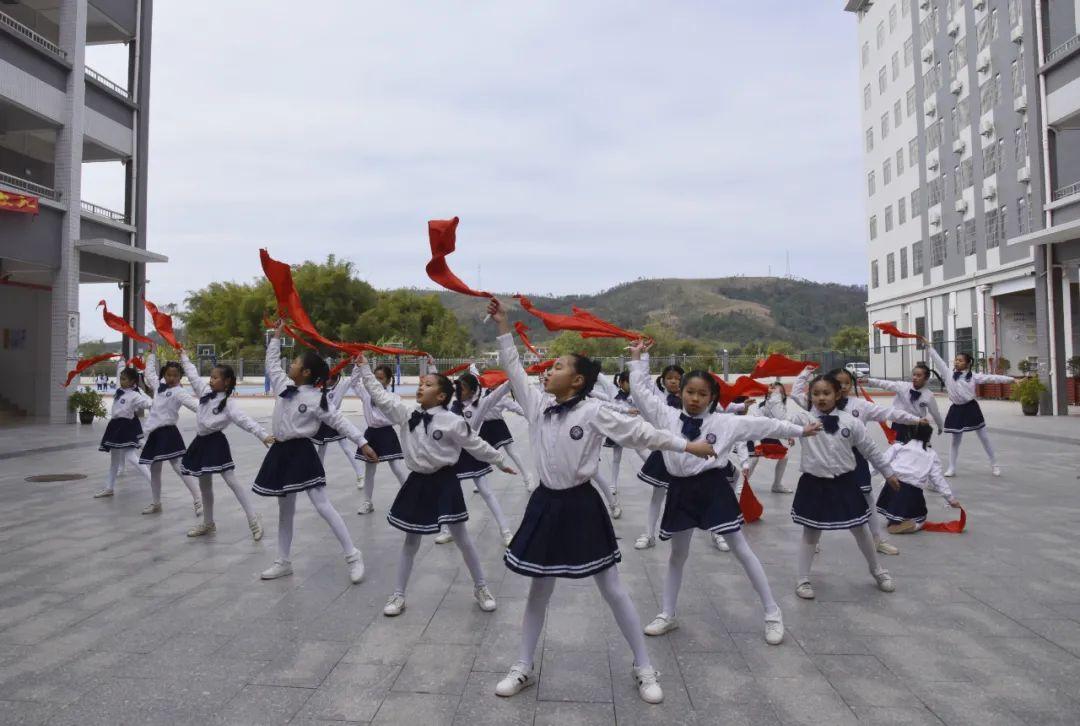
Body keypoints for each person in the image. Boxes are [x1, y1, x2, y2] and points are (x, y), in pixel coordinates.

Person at [487, 297, 716, 705]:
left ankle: (644, 665)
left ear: (577, 381)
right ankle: (523, 665)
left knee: (612, 587)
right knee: (539, 589)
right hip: (545, 504)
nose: (549, 370)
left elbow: (641, 433)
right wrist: (503, 325)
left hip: (581, 506)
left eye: (558, 366)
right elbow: (513, 367)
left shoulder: (594, 412)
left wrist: (687, 445)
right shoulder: (537, 404)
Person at [628, 341, 820, 645]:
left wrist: (799, 431)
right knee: (677, 554)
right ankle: (667, 613)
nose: (694, 398)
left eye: (702, 394)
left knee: (741, 549)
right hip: (680, 490)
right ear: (680, 393)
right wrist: (637, 358)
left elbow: (764, 424)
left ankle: (772, 613)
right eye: (690, 392)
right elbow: (639, 392)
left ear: (713, 397)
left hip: (712, 487)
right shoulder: (665, 416)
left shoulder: (726, 423)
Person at [354, 353, 515, 618]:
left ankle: (481, 587)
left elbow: (475, 444)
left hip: (445, 481)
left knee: (462, 538)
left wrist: (498, 459)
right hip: (417, 482)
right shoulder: (405, 413)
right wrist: (364, 369)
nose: (421, 387)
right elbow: (379, 396)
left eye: (428, 385)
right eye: (421, 383)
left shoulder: (452, 421)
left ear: (441, 396)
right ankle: (399, 594)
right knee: (410, 541)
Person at [256, 329, 377, 584]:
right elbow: (272, 363)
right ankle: (283, 561)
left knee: (322, 505)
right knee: (284, 509)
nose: (292, 364)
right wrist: (276, 338)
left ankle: (354, 555)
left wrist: (362, 442)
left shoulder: (317, 399)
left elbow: (340, 421)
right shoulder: (283, 386)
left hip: (301, 453)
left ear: (306, 373)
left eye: (297, 362)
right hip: (280, 452)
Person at [787, 372, 902, 600]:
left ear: (837, 394)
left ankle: (878, 571)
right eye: (816, 393)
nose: (821, 398)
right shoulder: (802, 420)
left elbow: (870, 449)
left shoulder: (851, 422)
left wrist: (889, 473)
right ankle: (802, 579)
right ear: (810, 396)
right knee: (810, 533)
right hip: (814, 484)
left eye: (826, 393)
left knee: (860, 529)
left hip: (845, 483)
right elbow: (778, 427)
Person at [179, 352, 271, 540]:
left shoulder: (229, 403)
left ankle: (253, 519)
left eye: (215, 377)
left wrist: (262, 434)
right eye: (211, 377)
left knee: (231, 481)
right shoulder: (205, 392)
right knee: (204, 484)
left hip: (215, 443)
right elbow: (193, 375)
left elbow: (244, 420)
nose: (211, 380)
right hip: (200, 442)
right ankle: (208, 523)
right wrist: (183, 356)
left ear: (227, 381)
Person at [919, 338, 1014, 477]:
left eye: (960, 360)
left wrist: (1012, 380)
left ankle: (995, 464)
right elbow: (937, 359)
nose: (957, 362)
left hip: (971, 408)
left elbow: (992, 378)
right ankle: (951, 468)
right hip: (956, 409)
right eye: (956, 360)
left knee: (984, 437)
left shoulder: (974, 377)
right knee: (955, 440)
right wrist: (929, 347)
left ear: (968, 364)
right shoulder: (948, 373)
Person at [137, 346, 202, 516]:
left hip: (169, 433)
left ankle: (198, 499)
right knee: (154, 469)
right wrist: (150, 354)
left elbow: (196, 406)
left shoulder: (179, 392)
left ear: (180, 377)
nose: (172, 378)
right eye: (168, 375)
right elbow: (149, 374)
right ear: (164, 375)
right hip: (155, 434)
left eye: (175, 375)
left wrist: (211, 411)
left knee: (179, 467)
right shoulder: (159, 388)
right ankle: (156, 503)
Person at [875, 422, 961, 534]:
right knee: (920, 519)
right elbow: (937, 479)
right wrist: (951, 499)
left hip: (890, 488)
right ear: (928, 437)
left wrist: (864, 479)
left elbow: (880, 462)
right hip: (911, 493)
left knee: (896, 511)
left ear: (910, 434)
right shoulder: (931, 454)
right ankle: (913, 525)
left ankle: (896, 520)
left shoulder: (899, 447)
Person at [355, 363, 409, 514]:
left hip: (387, 433)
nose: (378, 381)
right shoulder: (366, 394)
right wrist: (357, 366)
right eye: (375, 378)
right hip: (371, 434)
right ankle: (367, 502)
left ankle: (411, 496)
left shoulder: (392, 397)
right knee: (370, 470)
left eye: (381, 378)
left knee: (397, 468)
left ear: (388, 381)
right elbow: (353, 383)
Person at [93, 365, 153, 500]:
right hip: (114, 426)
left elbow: (147, 402)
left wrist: (157, 404)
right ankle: (109, 488)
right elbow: (120, 369)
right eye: (121, 378)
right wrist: (121, 362)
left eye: (125, 379)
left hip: (126, 427)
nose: (121, 381)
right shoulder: (120, 391)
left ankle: (152, 482)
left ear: (133, 382)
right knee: (114, 460)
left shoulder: (135, 395)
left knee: (131, 456)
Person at [862, 363, 945, 443]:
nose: (915, 377)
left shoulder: (928, 395)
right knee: (898, 449)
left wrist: (940, 425)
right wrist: (868, 380)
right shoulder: (902, 386)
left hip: (916, 425)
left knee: (915, 451)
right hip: (899, 424)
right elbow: (885, 383)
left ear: (926, 378)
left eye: (919, 375)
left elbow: (935, 412)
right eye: (914, 375)